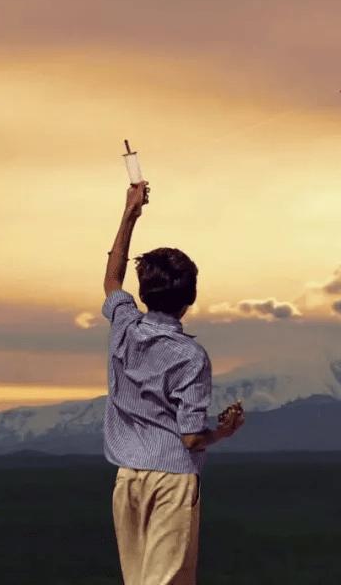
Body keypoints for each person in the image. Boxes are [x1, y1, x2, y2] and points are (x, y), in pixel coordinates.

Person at [102, 180, 245, 584]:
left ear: (144, 291)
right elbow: (191, 439)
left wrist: (130, 212)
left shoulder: (124, 325)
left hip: (127, 477)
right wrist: (223, 432)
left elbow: (112, 278)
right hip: (172, 479)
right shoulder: (190, 356)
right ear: (190, 299)